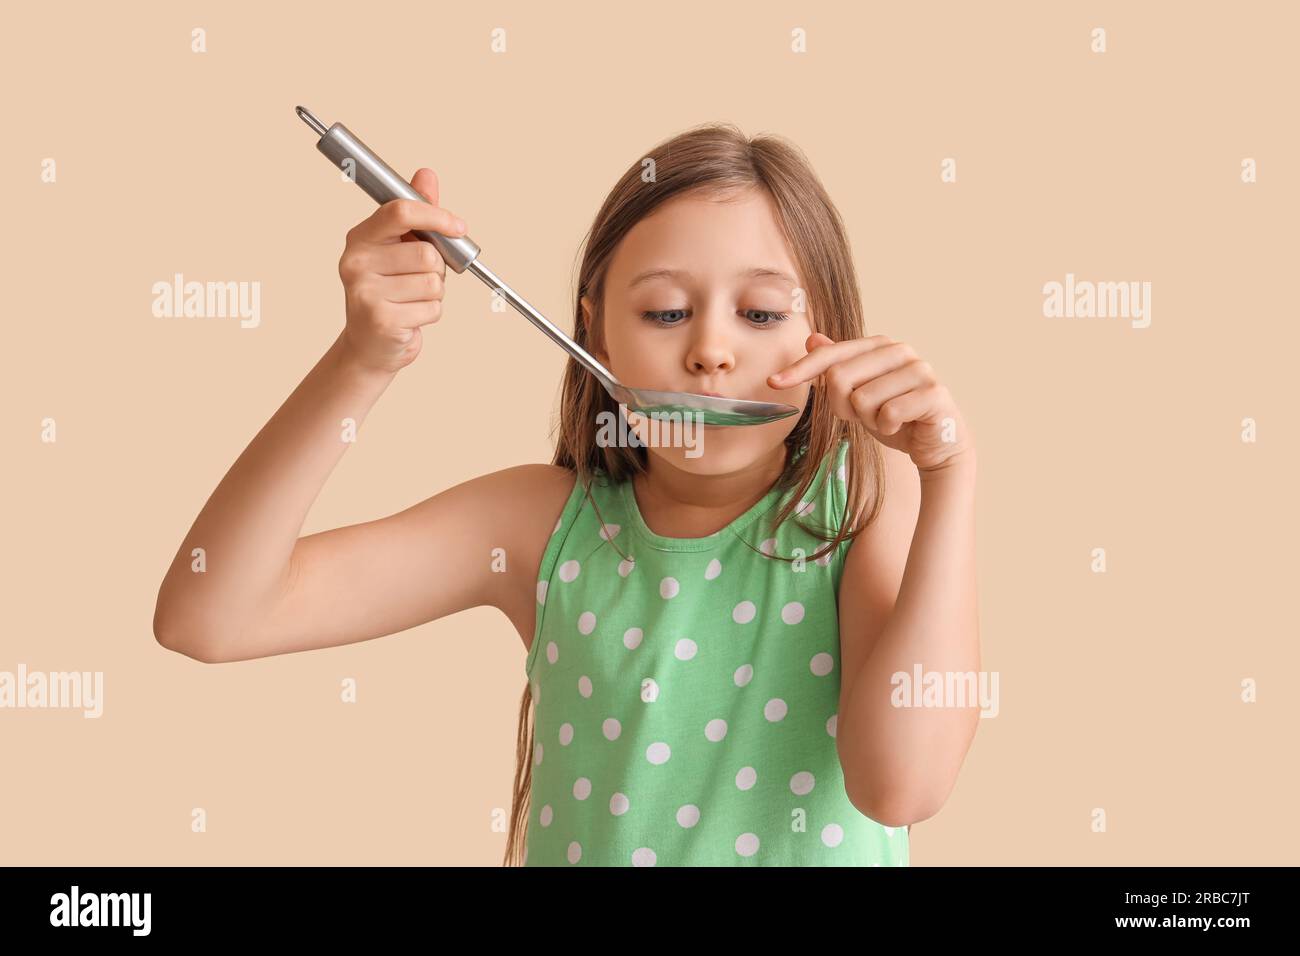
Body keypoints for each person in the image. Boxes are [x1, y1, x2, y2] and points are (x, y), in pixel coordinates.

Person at [154, 122, 980, 867]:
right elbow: (209, 615)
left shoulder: (865, 506)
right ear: (594, 332)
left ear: (826, 334)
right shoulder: (541, 525)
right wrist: (364, 359)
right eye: (664, 312)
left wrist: (949, 477)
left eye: (761, 314)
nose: (712, 352)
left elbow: (901, 790)